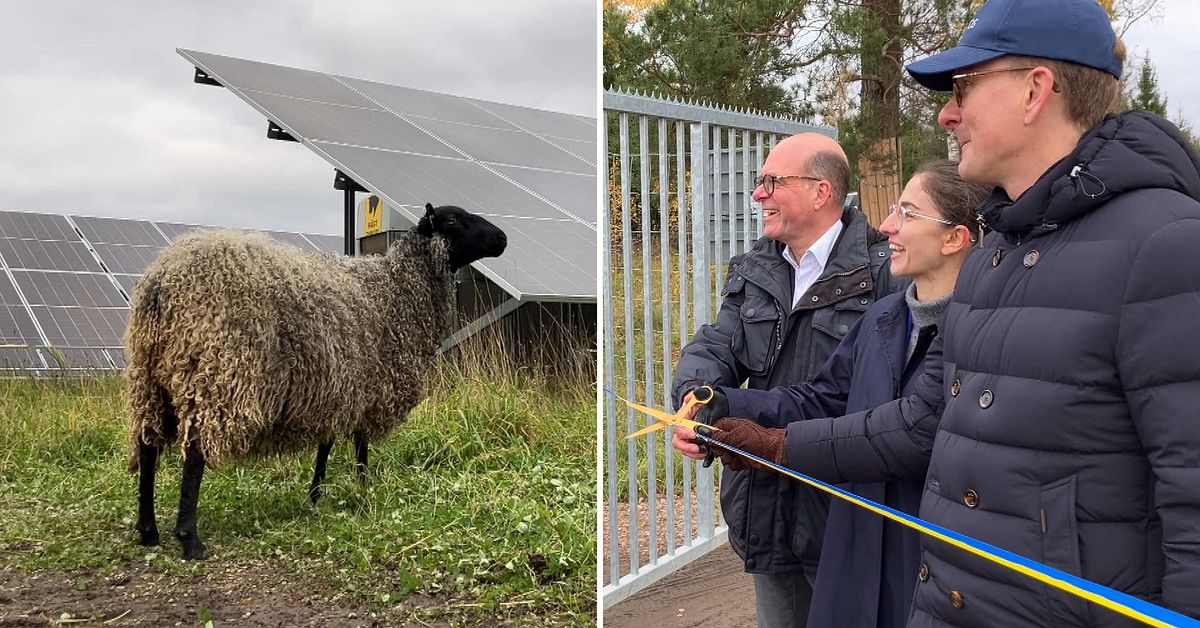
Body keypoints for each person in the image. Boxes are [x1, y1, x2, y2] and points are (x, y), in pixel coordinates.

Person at [676, 0, 1200, 624]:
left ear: (1035, 91)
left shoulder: (1168, 244)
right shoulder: (997, 256)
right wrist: (762, 436)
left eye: (964, 87)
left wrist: (777, 442)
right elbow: (926, 421)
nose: (947, 114)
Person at [675, 160, 988, 627]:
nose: (888, 225)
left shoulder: (981, 330)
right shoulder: (883, 318)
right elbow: (820, 397)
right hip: (858, 546)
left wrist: (774, 445)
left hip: (931, 556)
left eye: (907, 213)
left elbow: (911, 431)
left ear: (954, 238)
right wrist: (724, 403)